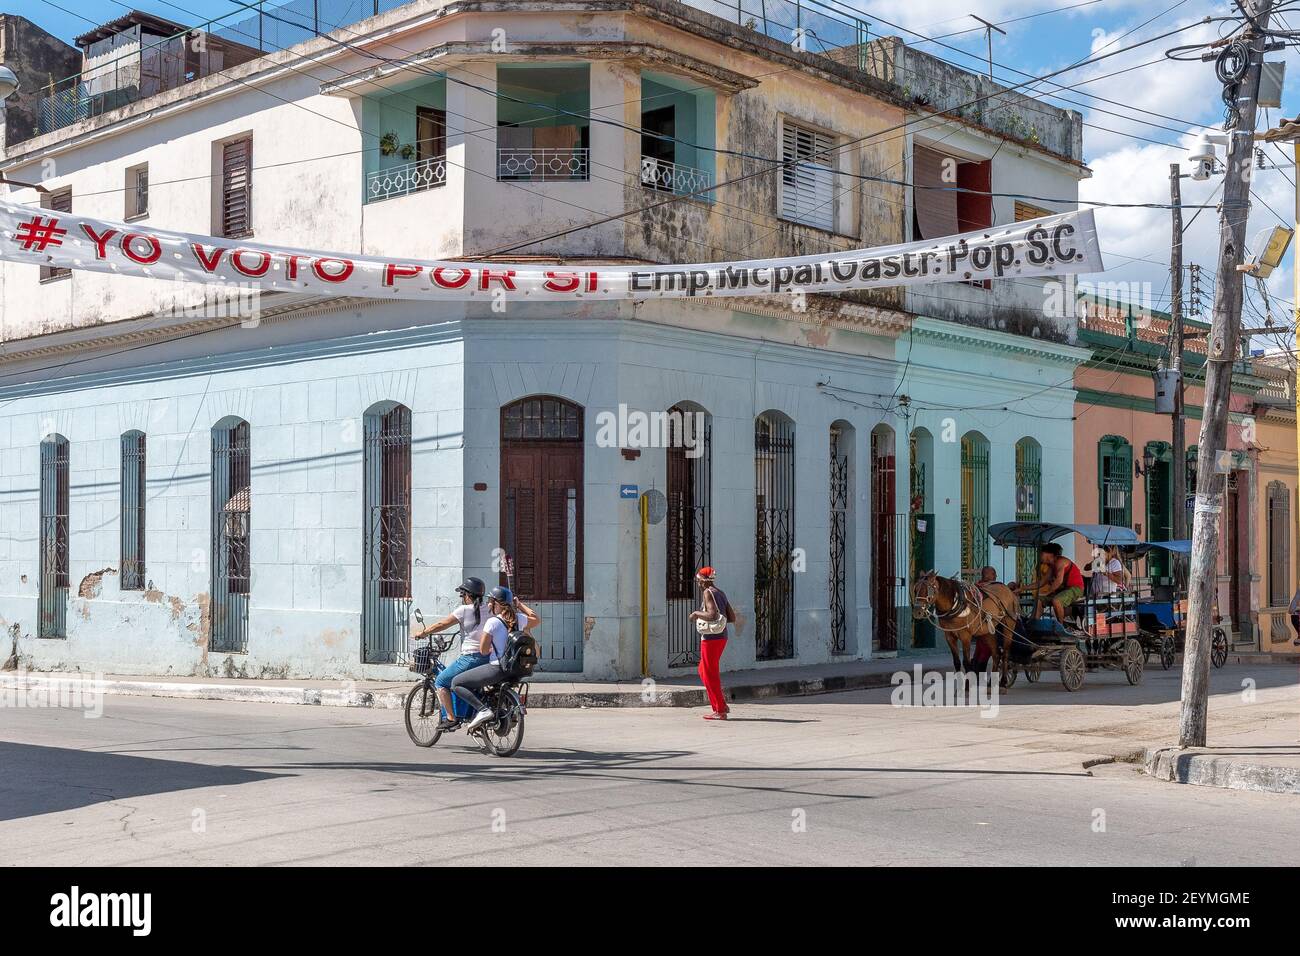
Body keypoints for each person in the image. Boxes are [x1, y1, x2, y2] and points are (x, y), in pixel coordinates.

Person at [451, 586, 540, 732]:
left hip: (497, 669)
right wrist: (520, 605)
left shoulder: (492, 622)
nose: (489, 605)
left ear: (496, 603)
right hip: (515, 671)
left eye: (491, 601)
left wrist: (493, 649)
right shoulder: (520, 619)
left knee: (456, 683)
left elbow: (483, 650)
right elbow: (536, 619)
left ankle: (483, 710)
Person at [412, 576, 488, 731]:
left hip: (471, 657)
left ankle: (451, 719)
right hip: (488, 658)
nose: (462, 598)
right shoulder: (489, 608)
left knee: (441, 681)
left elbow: (443, 624)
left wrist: (424, 633)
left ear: (467, 595)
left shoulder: (463, 610)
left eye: (462, 595)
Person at [687, 567, 734, 720]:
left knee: (710, 674)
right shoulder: (720, 592)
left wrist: (696, 613)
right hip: (722, 637)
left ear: (703, 580)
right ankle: (721, 704)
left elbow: (712, 615)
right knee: (703, 670)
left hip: (711, 639)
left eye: (698, 580)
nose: (697, 583)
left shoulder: (708, 592)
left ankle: (720, 710)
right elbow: (731, 617)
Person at [1022, 542, 1085, 627]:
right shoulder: (1052, 566)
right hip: (1063, 590)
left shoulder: (1061, 562)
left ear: (1048, 554)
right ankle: (1035, 623)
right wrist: (1022, 588)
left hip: (1075, 588)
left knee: (1056, 600)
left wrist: (1048, 592)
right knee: (1039, 599)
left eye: (1040, 553)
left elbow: (1059, 581)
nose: (1039, 556)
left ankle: (1061, 626)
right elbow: (1042, 582)